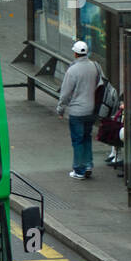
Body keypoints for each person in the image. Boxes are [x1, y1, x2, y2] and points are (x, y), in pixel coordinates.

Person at [57, 39, 100, 179]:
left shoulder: (72, 70)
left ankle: (79, 170)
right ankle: (88, 165)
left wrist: (60, 109)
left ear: (75, 54)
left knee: (77, 140)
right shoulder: (95, 66)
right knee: (87, 138)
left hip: (77, 111)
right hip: (92, 109)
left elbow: (65, 93)